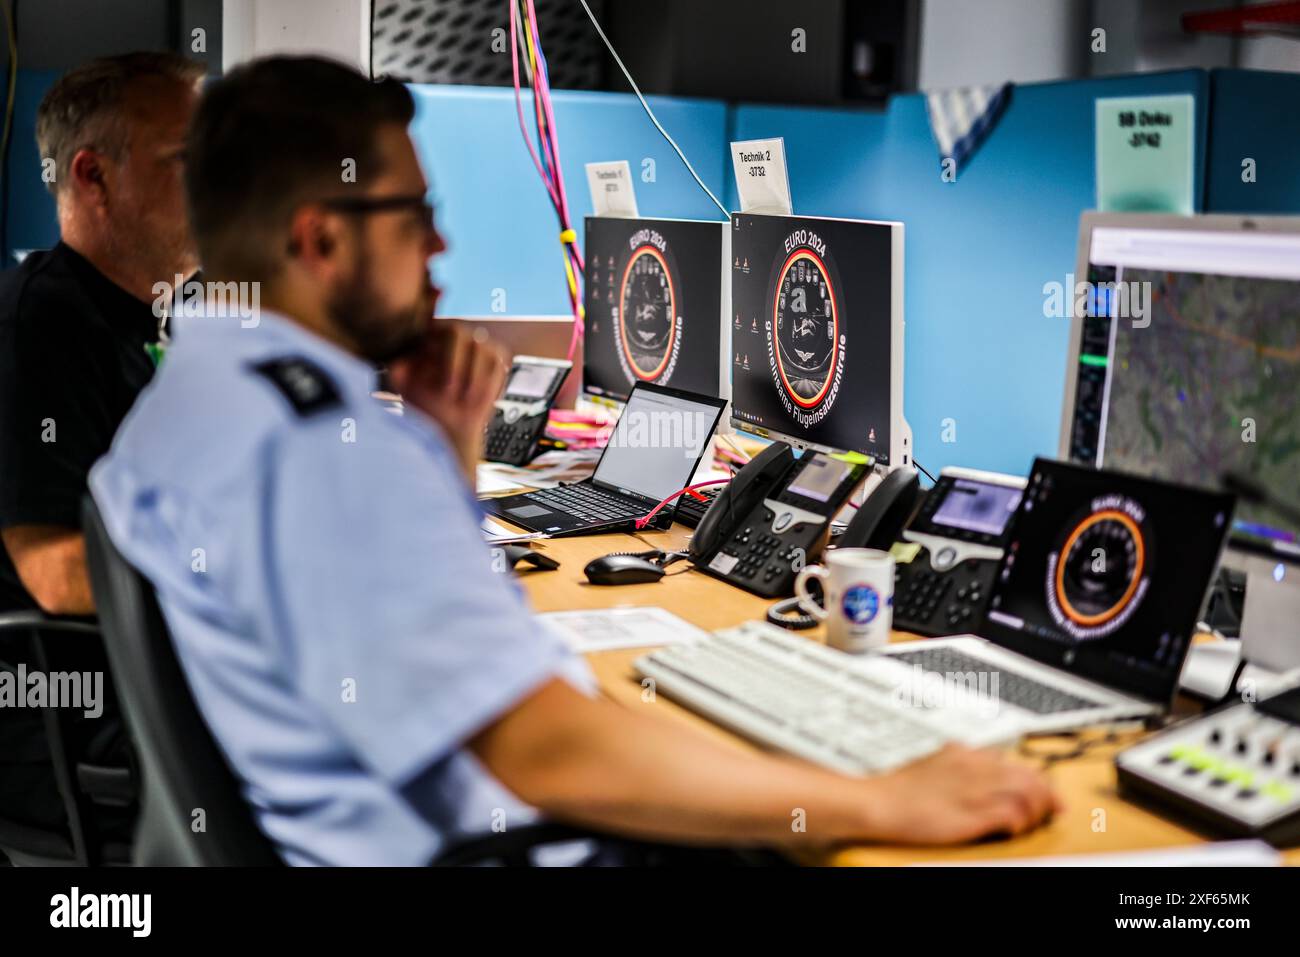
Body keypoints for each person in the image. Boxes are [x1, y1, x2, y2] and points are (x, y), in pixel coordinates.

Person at [90, 55, 1058, 866]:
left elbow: (392, 619)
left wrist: (447, 458)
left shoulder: (197, 398)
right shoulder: (327, 457)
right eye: (411, 215)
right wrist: (880, 800)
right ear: (319, 239)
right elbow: (546, 752)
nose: (440, 244)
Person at [0, 52, 205, 842]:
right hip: (73, 729)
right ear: (93, 176)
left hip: (149, 684)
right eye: (188, 160)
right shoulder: (38, 330)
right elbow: (56, 573)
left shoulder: (154, 319)